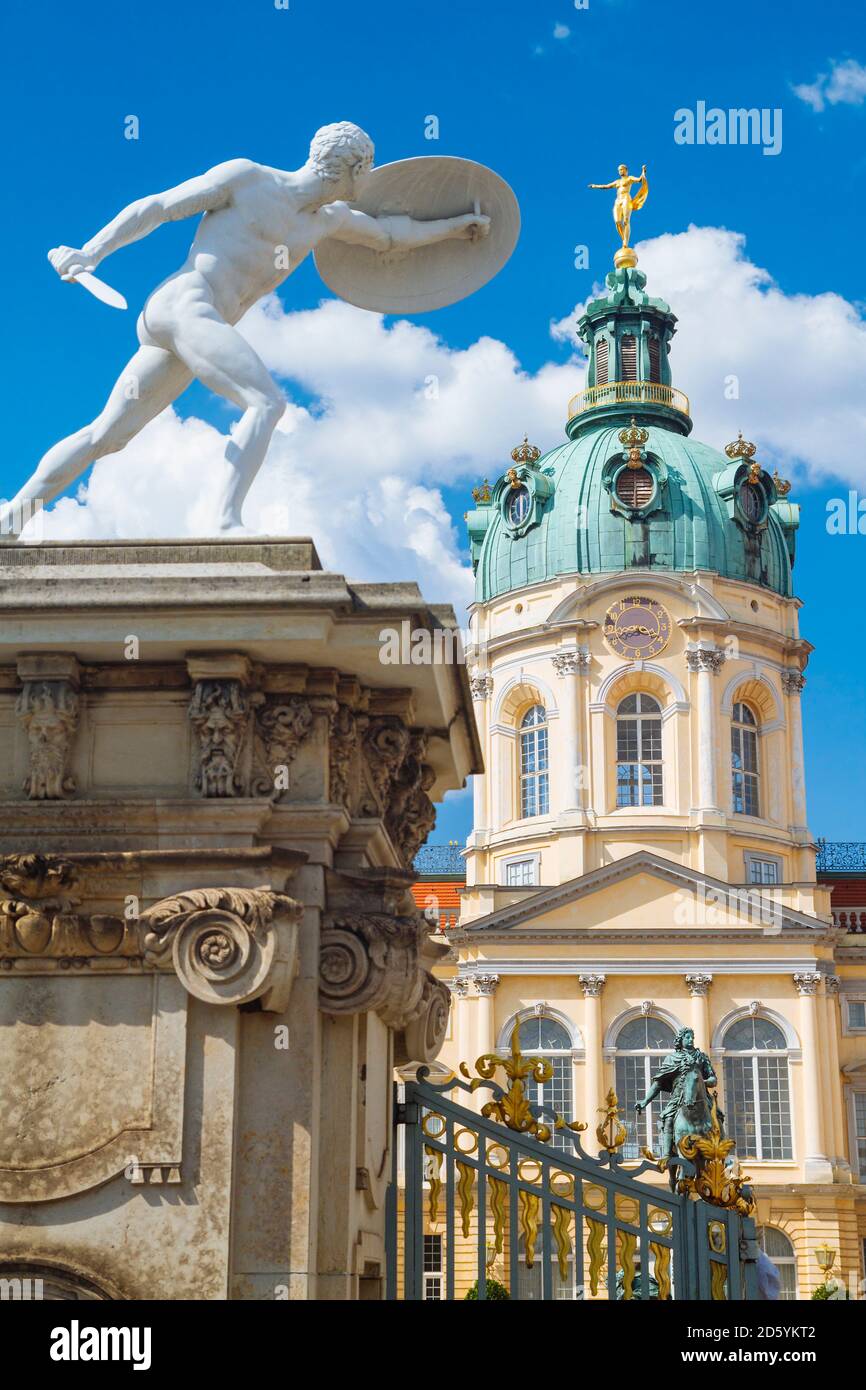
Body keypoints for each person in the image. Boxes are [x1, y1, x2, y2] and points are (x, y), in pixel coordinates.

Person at [1, 123, 489, 538]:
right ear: (355, 167)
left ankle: (12, 517)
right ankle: (225, 522)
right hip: (185, 303)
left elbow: (390, 235)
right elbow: (159, 207)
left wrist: (458, 226)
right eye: (370, 164)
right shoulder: (249, 178)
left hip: (189, 322)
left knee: (107, 435)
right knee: (267, 403)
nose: (372, 175)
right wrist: (91, 252)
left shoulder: (328, 220)